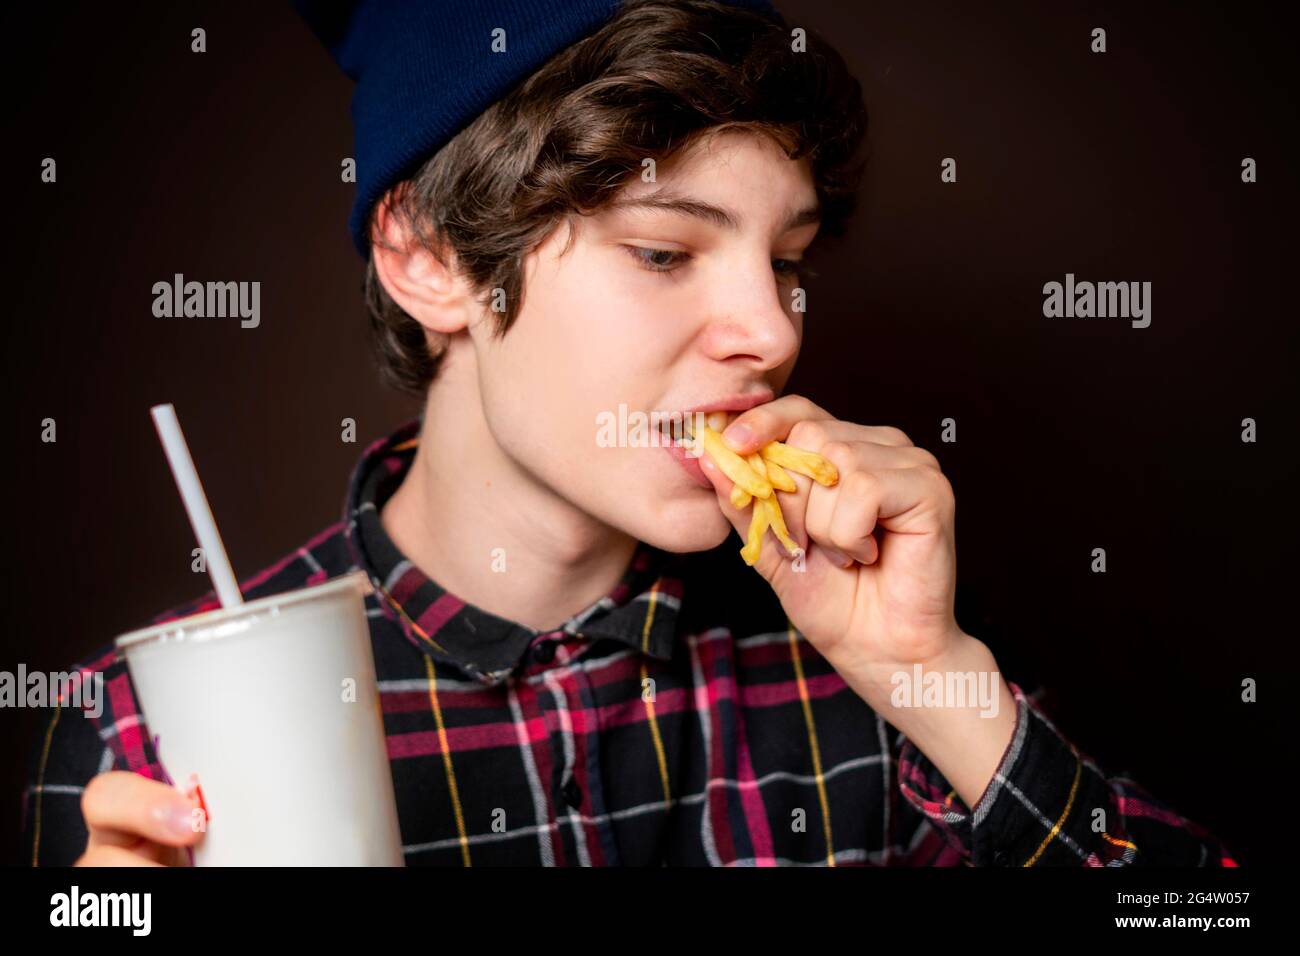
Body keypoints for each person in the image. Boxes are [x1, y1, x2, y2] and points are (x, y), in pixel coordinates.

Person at [22, 0, 1235, 866]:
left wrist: (939, 679)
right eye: (663, 250)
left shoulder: (859, 667)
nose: (769, 327)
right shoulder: (143, 723)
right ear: (429, 258)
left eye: (791, 261)